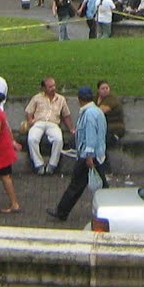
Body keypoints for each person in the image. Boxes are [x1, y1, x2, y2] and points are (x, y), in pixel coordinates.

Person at [48, 87, 107, 222]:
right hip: (97, 155)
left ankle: (62, 211)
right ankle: (62, 211)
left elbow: (90, 136)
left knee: (76, 185)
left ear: (79, 99)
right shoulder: (96, 111)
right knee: (100, 185)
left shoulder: (89, 114)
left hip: (88, 156)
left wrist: (89, 156)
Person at [24, 77, 71, 174]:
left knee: (58, 139)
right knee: (32, 139)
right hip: (38, 122)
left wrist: (71, 128)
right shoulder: (37, 98)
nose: (53, 88)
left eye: (54, 86)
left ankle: (52, 165)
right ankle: (39, 165)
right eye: (50, 87)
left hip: (53, 123)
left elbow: (66, 115)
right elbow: (29, 111)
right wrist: (30, 121)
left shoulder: (61, 99)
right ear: (44, 88)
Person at [96, 80, 125, 144]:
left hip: (115, 129)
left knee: (100, 141)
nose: (105, 90)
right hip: (104, 128)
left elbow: (98, 112)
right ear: (98, 90)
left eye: (107, 88)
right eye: (103, 88)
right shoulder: (96, 98)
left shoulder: (111, 99)